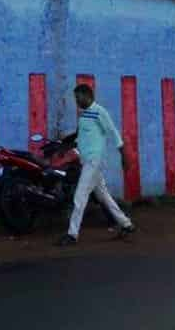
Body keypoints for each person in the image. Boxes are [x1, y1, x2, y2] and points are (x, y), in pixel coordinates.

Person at [57, 84, 136, 246]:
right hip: (86, 161)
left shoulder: (100, 112)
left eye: (78, 97)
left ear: (87, 96)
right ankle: (126, 224)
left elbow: (114, 134)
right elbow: (79, 137)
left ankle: (72, 234)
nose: (77, 101)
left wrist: (124, 156)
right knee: (103, 196)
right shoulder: (84, 115)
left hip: (94, 161)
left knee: (79, 196)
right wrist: (65, 145)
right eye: (75, 98)